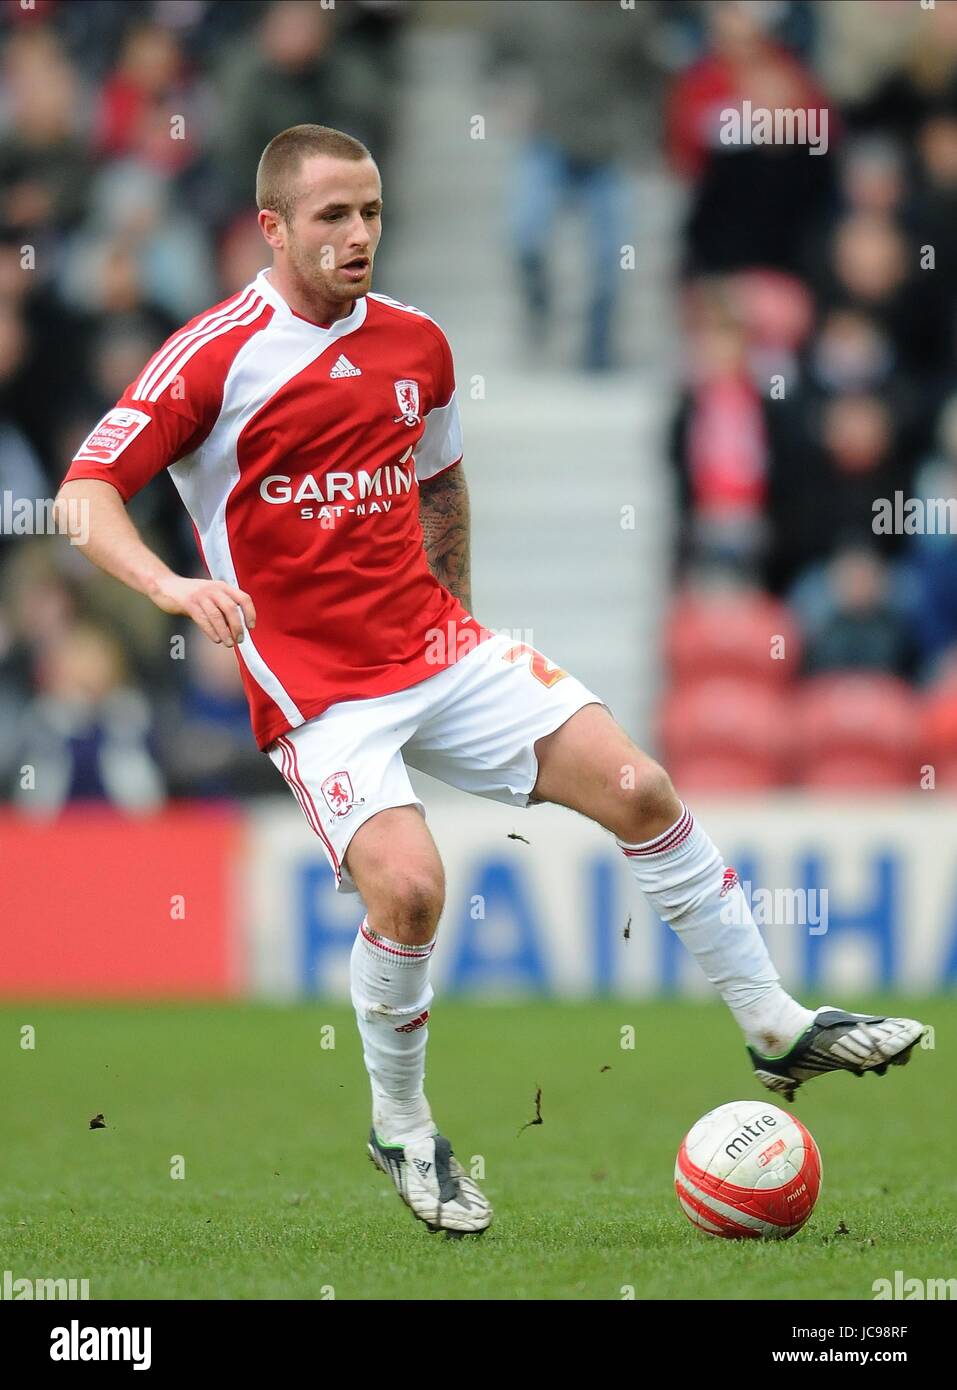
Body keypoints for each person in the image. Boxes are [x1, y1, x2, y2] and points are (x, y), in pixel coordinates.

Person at [56, 124, 926, 1237]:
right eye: (332, 216)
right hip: (318, 692)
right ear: (272, 227)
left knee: (641, 786)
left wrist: (459, 619)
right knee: (410, 891)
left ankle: (772, 1022)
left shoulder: (417, 344)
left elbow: (441, 486)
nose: (359, 233)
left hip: (437, 647)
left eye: (370, 210)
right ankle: (405, 1128)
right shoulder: (214, 355)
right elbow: (85, 493)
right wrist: (173, 588)